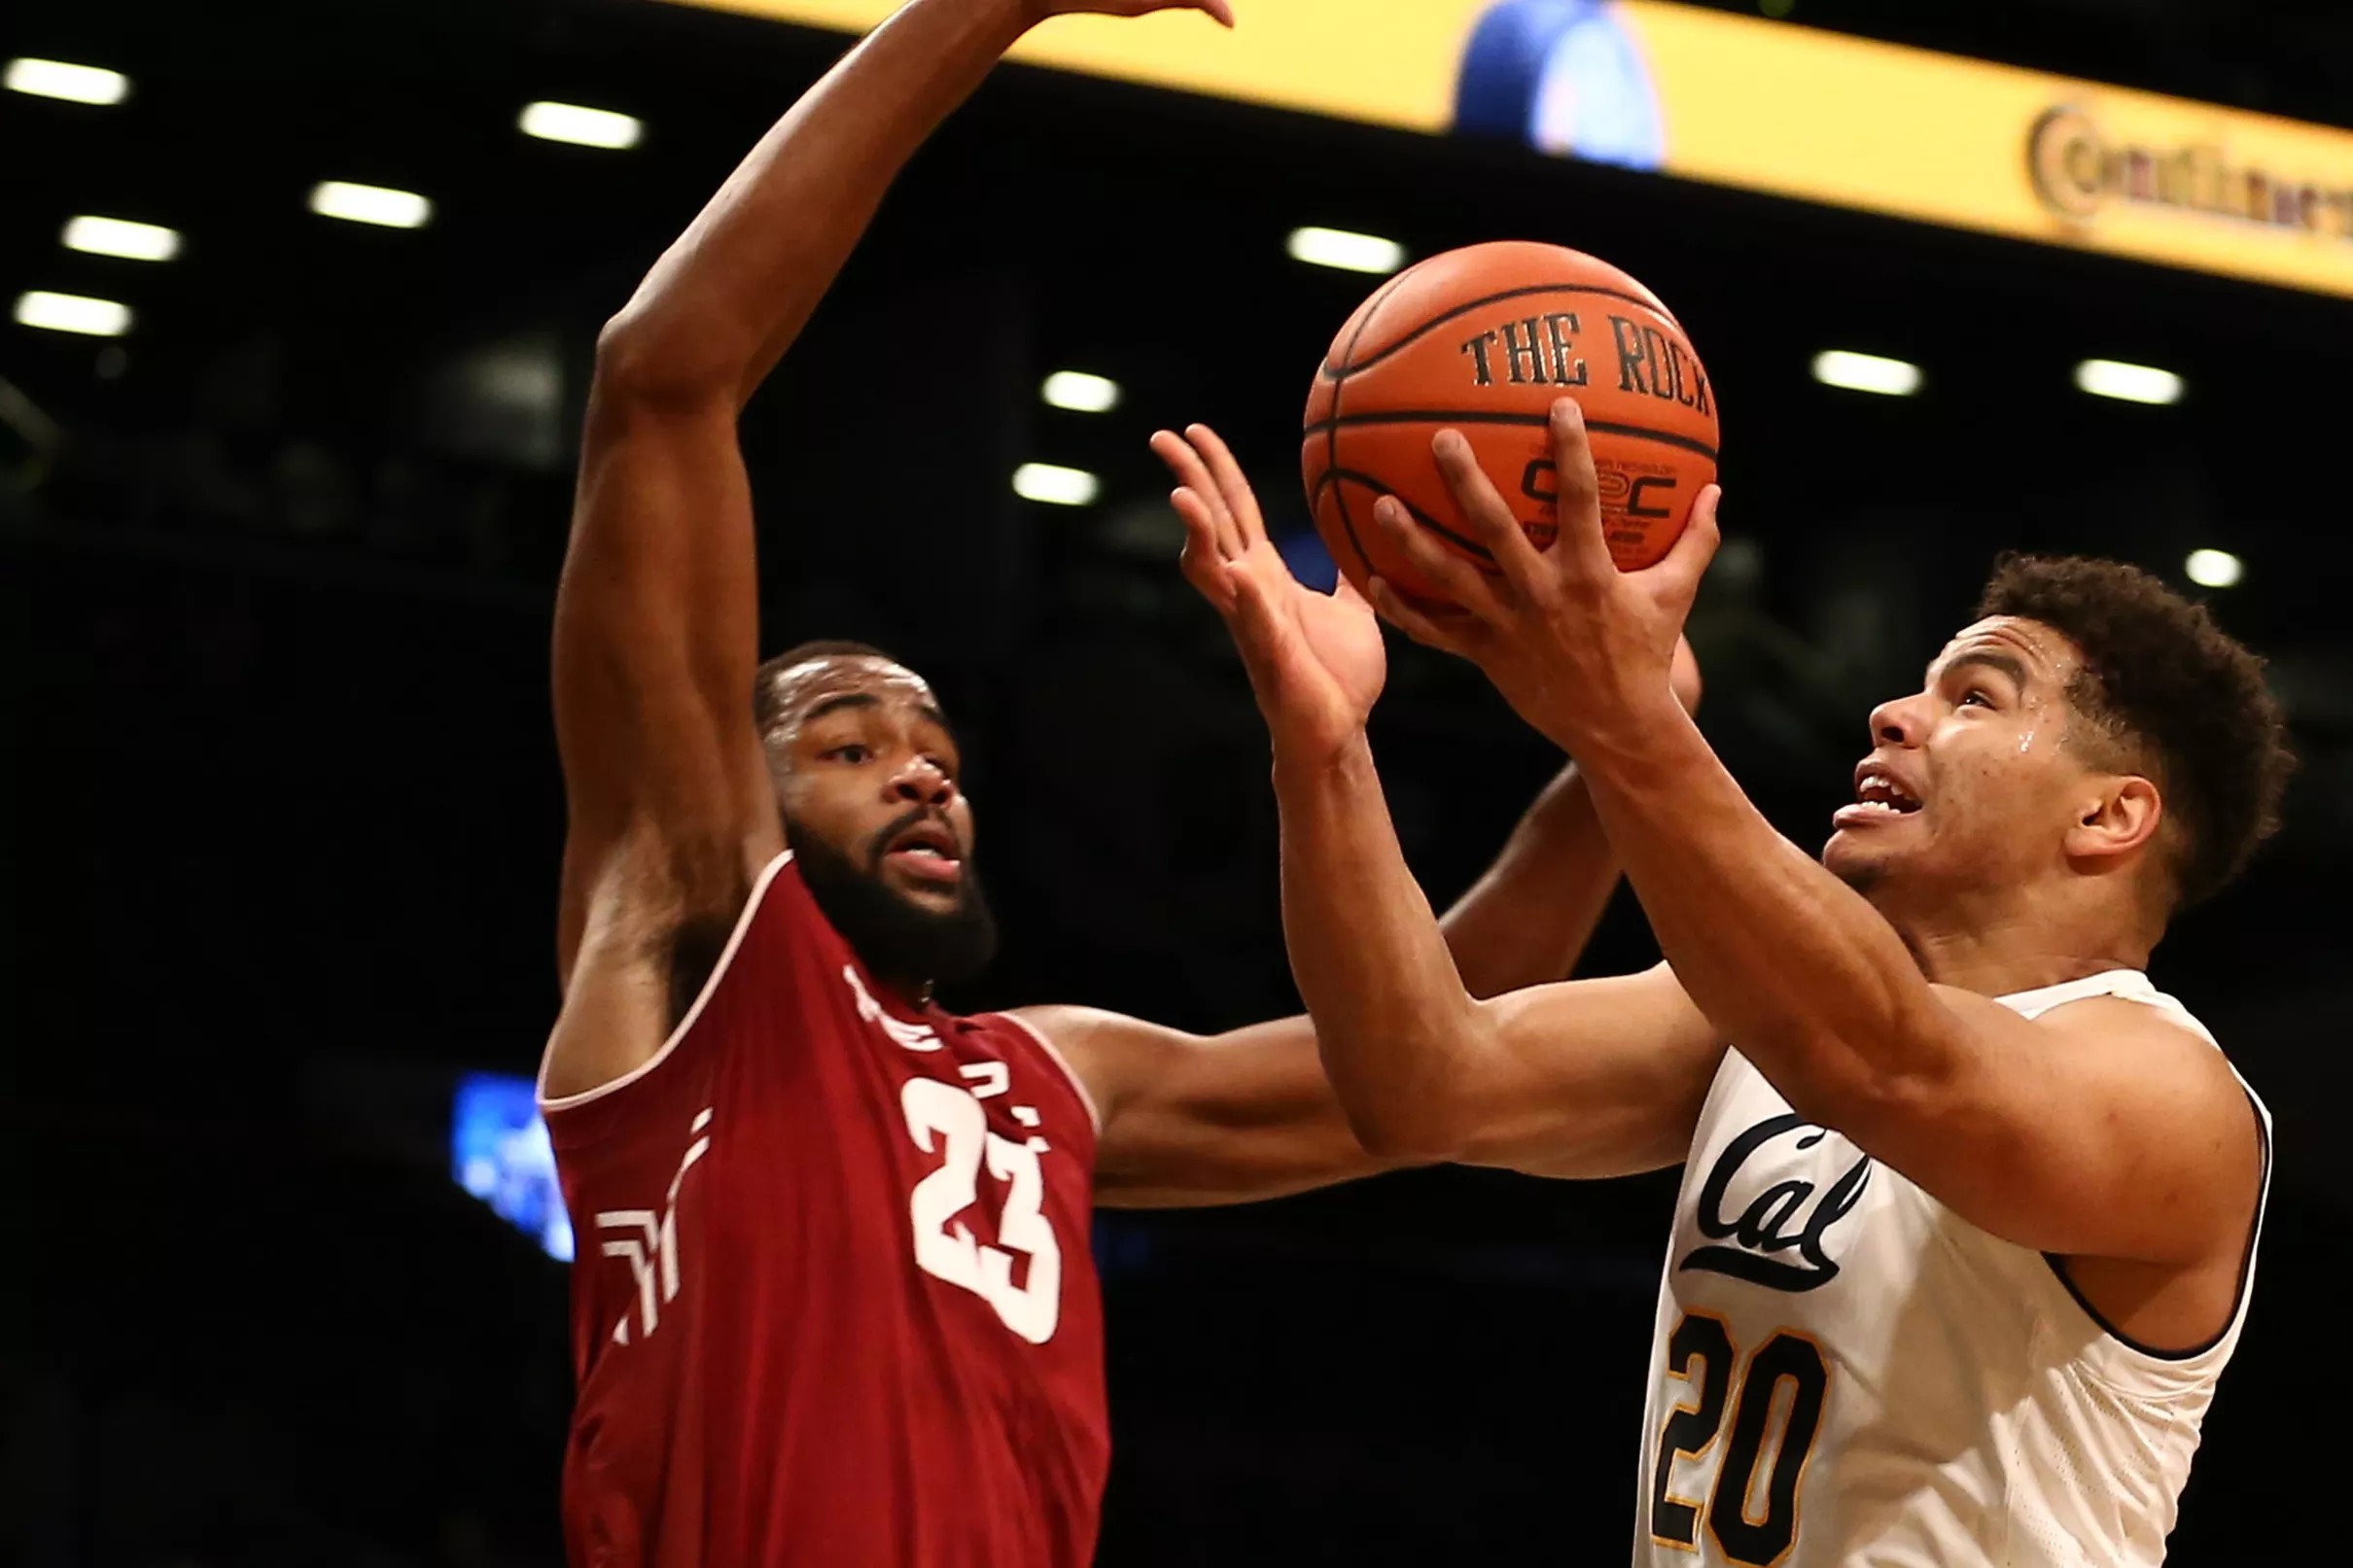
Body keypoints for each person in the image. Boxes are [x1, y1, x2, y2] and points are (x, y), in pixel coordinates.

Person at [536, 1, 1699, 1561]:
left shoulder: (1049, 1078)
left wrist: (1614, 746)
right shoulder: (688, 945)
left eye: (938, 754)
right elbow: (660, 380)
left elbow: (1432, 1056)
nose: (921, 778)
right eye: (850, 746)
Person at [1173, 395, 2290, 1566]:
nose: (1893, 711)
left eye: (1975, 694)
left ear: (2109, 814)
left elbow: (1885, 1060)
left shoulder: (2169, 1094)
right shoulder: (1752, 1026)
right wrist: (1322, 744)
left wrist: (1619, 712)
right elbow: (1418, 1085)